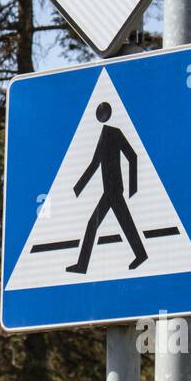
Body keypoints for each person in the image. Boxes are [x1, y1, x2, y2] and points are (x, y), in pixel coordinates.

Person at [66, 101, 148, 274]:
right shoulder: (103, 135)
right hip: (109, 190)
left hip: (115, 189)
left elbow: (132, 156)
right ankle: (139, 254)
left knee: (104, 224)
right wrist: (77, 188)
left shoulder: (114, 133)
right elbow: (94, 164)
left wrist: (134, 188)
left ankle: (82, 266)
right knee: (122, 224)